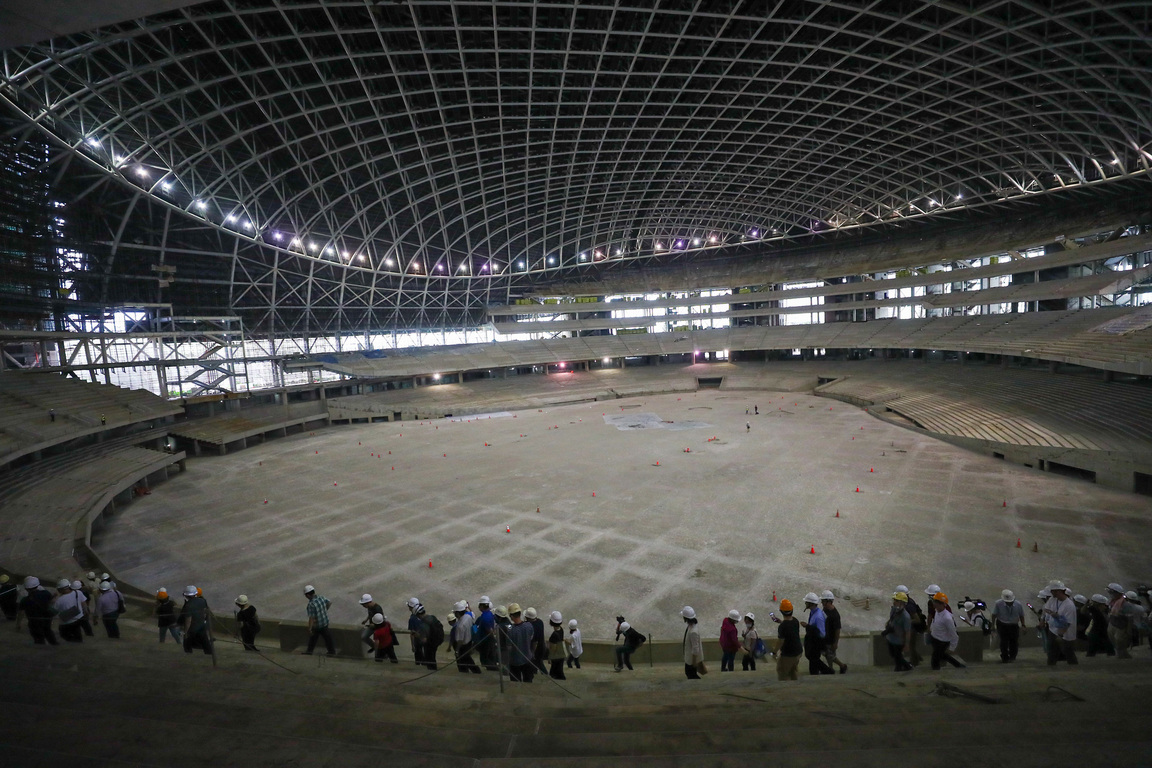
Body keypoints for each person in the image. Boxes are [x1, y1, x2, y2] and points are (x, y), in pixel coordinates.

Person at [1043, 581, 1078, 666]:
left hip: (1065, 633)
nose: (1051, 593)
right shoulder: (1053, 599)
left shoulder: (1069, 605)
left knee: (1068, 652)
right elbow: (1046, 608)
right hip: (1053, 630)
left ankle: (1074, 669)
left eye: (1052, 591)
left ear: (1058, 591)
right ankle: (1051, 667)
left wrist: (1060, 635)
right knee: (1051, 652)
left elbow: (1068, 623)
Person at [928, 591, 965, 669]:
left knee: (935, 662)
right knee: (943, 655)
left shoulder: (947, 618)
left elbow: (954, 634)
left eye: (936, 602)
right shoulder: (937, 611)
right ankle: (958, 665)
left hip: (941, 642)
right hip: (935, 639)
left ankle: (936, 674)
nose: (933, 603)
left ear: (942, 604)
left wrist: (952, 648)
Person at [800, 592, 834, 675]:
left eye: (806, 602)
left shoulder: (818, 616)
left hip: (816, 644)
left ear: (810, 604)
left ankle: (828, 671)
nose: (805, 603)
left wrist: (807, 626)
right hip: (812, 642)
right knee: (812, 661)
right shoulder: (814, 612)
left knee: (813, 659)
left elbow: (821, 633)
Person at [770, 599, 803, 680]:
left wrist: (774, 652)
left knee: (782, 673)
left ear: (781, 611)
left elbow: (780, 641)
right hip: (798, 652)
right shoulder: (795, 620)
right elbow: (790, 628)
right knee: (793, 671)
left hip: (788, 655)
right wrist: (781, 622)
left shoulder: (783, 627)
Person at [991, 589, 1025, 662]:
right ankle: (1004, 656)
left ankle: (1012, 656)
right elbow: (994, 614)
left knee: (1014, 641)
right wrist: (992, 625)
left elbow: (1021, 615)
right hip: (1002, 624)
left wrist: (1023, 625)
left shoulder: (1018, 605)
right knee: (1004, 641)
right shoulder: (998, 604)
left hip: (1014, 625)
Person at [179, 585, 213, 655]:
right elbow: (205, 612)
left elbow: (188, 620)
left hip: (192, 628)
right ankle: (209, 654)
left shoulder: (188, 605)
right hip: (201, 625)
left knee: (187, 642)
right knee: (205, 641)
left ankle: (188, 654)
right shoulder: (202, 601)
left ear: (186, 595)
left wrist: (185, 632)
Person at [883, 592, 913, 671]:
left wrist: (906, 644)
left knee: (898, 657)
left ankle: (905, 667)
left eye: (896, 600)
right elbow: (892, 618)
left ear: (902, 602)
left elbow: (907, 631)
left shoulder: (906, 617)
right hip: (891, 638)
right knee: (893, 654)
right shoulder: (894, 610)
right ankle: (907, 666)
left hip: (898, 641)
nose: (894, 602)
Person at [506, 603, 536, 682]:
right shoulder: (529, 625)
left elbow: (509, 647)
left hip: (515, 661)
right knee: (528, 681)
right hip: (528, 658)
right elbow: (531, 638)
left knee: (515, 682)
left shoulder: (510, 630)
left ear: (511, 616)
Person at [302, 585, 335, 656]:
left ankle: (309, 652)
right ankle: (332, 652)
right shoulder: (321, 597)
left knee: (313, 639)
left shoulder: (311, 604)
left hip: (317, 625)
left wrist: (310, 628)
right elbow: (329, 602)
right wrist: (324, 610)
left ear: (307, 595)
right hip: (325, 622)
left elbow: (311, 617)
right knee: (328, 639)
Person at [898, 585, 926, 666]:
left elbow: (917, 620)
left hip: (912, 630)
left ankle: (914, 663)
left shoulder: (909, 605)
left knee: (911, 647)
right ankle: (917, 658)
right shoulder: (907, 602)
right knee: (911, 646)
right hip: (910, 629)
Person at [820, 590, 848, 674]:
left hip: (830, 639)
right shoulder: (825, 609)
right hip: (826, 637)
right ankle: (830, 669)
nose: (822, 602)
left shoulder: (835, 615)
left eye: (823, 601)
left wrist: (835, 643)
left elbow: (837, 630)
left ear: (829, 601)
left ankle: (842, 666)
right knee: (828, 655)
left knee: (830, 655)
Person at [452, 600, 480, 673]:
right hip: (469, 642)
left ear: (457, 613)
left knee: (463, 661)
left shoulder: (460, 626)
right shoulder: (468, 616)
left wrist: (457, 650)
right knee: (468, 659)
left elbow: (460, 641)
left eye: (454, 612)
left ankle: (467, 672)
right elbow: (474, 628)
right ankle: (475, 671)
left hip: (463, 646)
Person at [1106, 583, 1132, 659]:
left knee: (1119, 641)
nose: (1110, 594)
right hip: (1112, 624)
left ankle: (1123, 655)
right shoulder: (1112, 602)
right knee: (1114, 640)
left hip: (1121, 626)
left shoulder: (1125, 604)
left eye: (1111, 592)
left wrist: (1128, 629)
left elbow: (1130, 618)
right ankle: (1120, 654)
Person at [416, 603, 445, 670]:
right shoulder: (432, 617)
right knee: (433, 657)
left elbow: (424, 640)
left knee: (430, 659)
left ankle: (432, 671)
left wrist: (418, 636)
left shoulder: (423, 624)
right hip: (436, 641)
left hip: (430, 644)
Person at [476, 596, 498, 670]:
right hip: (488, 640)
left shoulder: (485, 617)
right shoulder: (489, 614)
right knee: (490, 657)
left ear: (482, 606)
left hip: (485, 641)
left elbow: (490, 631)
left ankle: (494, 670)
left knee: (485, 659)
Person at [682, 606, 704, 679]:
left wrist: (694, 662)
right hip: (689, 659)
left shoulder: (693, 631)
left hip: (691, 661)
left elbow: (695, 648)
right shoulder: (691, 627)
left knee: (691, 675)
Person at [407, 597, 428, 666]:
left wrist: (412, 645)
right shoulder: (423, 613)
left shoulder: (412, 619)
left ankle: (419, 664)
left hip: (418, 641)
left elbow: (412, 633)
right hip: (425, 638)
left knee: (418, 655)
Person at [525, 607, 547, 672]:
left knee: (538, 662)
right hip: (542, 645)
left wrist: (532, 653)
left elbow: (535, 642)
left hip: (537, 648)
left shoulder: (531, 626)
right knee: (538, 662)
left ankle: (545, 674)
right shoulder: (540, 622)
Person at [547, 611, 566, 679]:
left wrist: (550, 658)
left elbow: (553, 649)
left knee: (555, 673)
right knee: (559, 670)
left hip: (556, 657)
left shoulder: (554, 635)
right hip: (561, 654)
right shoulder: (561, 629)